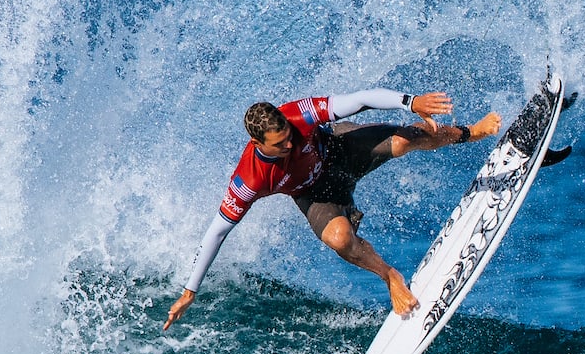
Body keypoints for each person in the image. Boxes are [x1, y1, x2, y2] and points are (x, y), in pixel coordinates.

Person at [163, 88, 501, 329]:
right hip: (316, 193)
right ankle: (390, 277)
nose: (290, 144)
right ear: (257, 144)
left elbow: (361, 100)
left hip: (340, 149)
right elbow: (217, 231)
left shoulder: (298, 116)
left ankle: (473, 131)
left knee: (406, 140)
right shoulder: (251, 178)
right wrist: (190, 291)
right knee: (340, 239)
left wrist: (411, 103)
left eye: (289, 136)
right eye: (280, 145)